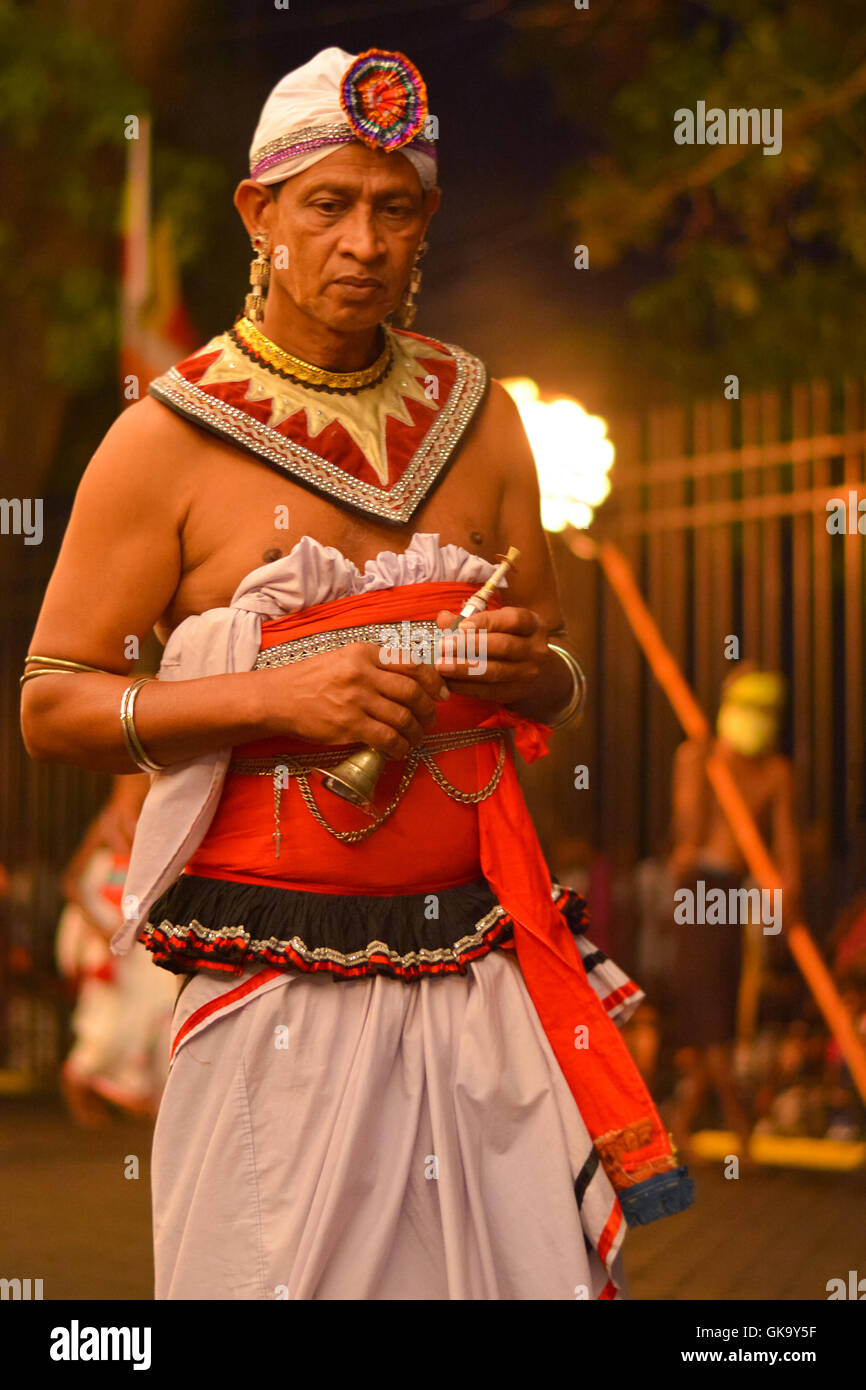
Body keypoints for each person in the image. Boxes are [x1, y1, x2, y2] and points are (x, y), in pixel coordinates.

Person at [21, 46, 692, 1300]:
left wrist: (520, 668)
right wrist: (272, 698)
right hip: (274, 991)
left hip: (480, 974)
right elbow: (51, 701)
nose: (361, 242)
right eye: (326, 204)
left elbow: (554, 674)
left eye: (393, 207)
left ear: (425, 219)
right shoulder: (163, 438)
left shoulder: (478, 414)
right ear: (257, 213)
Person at [667, 665, 801, 1157]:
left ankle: (682, 1123)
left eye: (765, 711)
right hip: (697, 887)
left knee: (721, 1005)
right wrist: (702, 768)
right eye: (748, 707)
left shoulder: (775, 772)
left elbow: (785, 854)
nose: (755, 720)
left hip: (734, 893)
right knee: (706, 1005)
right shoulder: (700, 757)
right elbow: (688, 831)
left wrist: (787, 902)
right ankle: (740, 1127)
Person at [56, 774, 176, 1124]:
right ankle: (80, 1085)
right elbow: (72, 882)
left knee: (154, 1013)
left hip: (142, 941)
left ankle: (138, 1092)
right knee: (106, 1018)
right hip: (113, 941)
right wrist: (98, 928)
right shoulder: (108, 825)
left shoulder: (159, 820)